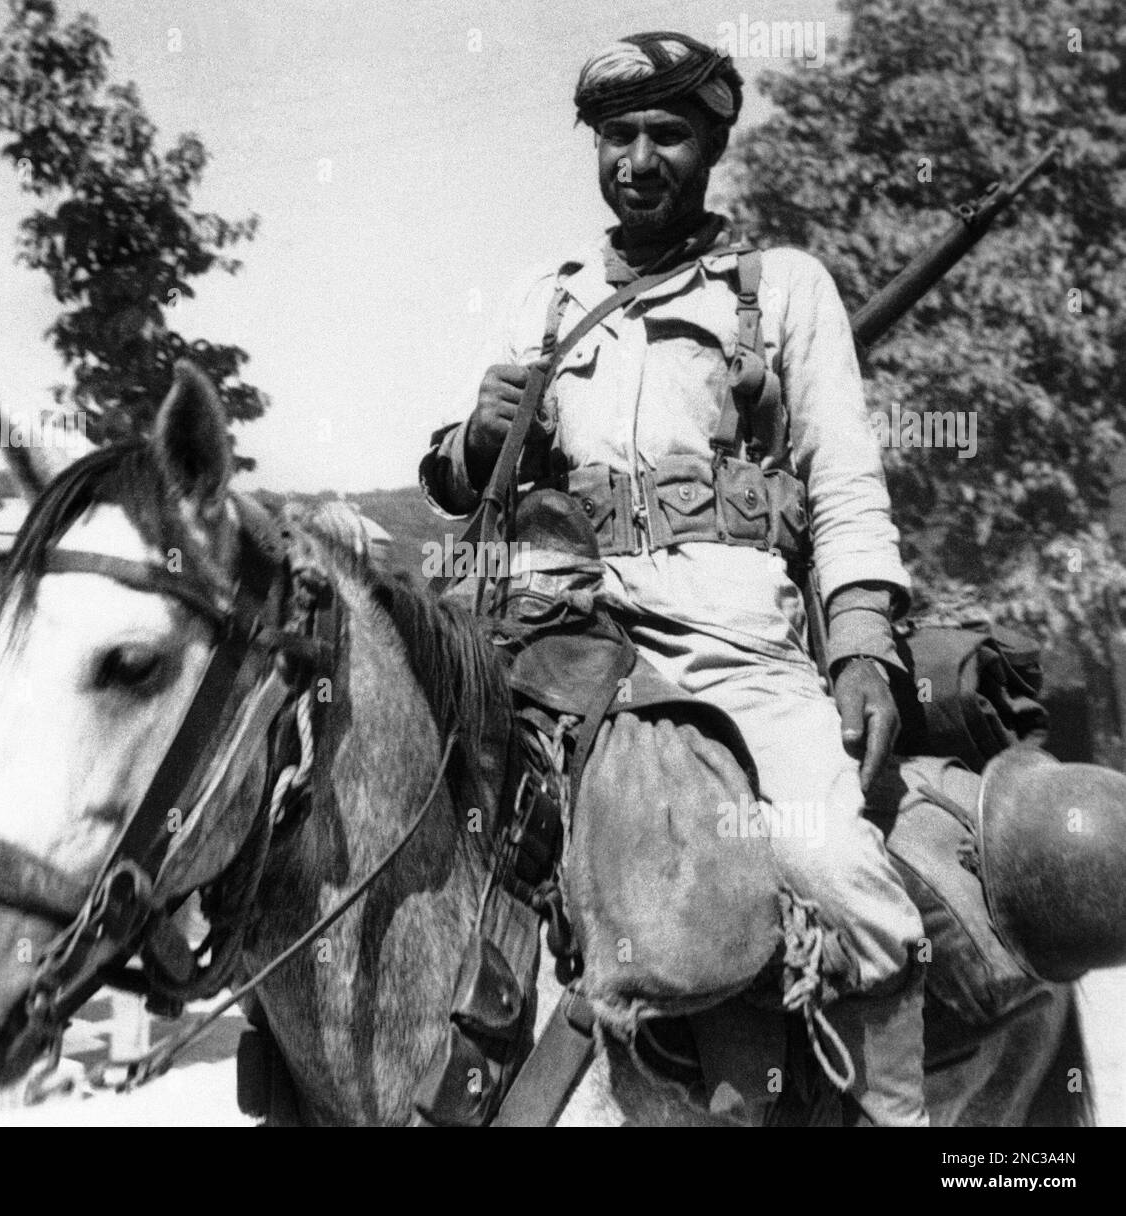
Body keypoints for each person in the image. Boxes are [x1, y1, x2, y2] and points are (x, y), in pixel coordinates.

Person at [419, 31, 928, 1125]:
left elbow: (842, 479)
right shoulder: (543, 303)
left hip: (731, 647)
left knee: (841, 868)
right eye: (617, 135)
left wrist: (860, 642)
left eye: (667, 134)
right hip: (568, 645)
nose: (638, 158)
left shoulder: (781, 288)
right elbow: (464, 489)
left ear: (710, 146)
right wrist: (476, 438)